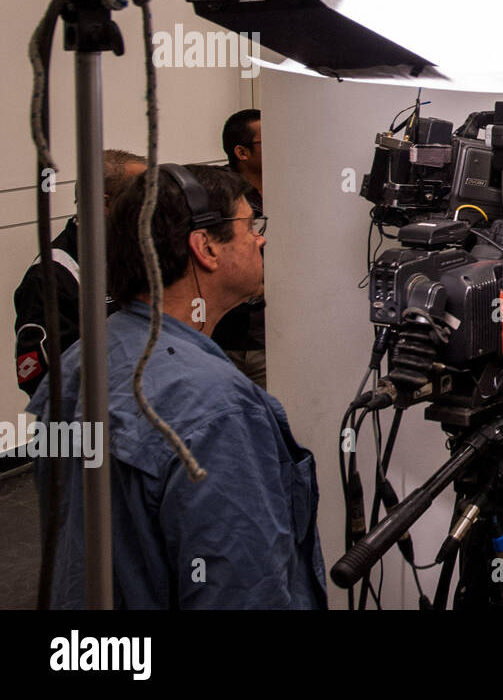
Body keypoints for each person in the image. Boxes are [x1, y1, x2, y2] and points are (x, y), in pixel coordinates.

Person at [26, 164, 327, 608]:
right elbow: (240, 589)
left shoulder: (78, 365)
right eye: (250, 226)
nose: (260, 239)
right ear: (205, 246)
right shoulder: (216, 411)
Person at [13, 149, 146, 395]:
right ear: (105, 203)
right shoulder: (52, 276)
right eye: (144, 197)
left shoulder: (146, 248)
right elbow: (41, 380)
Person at [213, 109, 266, 387]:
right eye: (268, 140)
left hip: (273, 335)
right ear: (242, 153)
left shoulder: (291, 188)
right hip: (228, 338)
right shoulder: (219, 198)